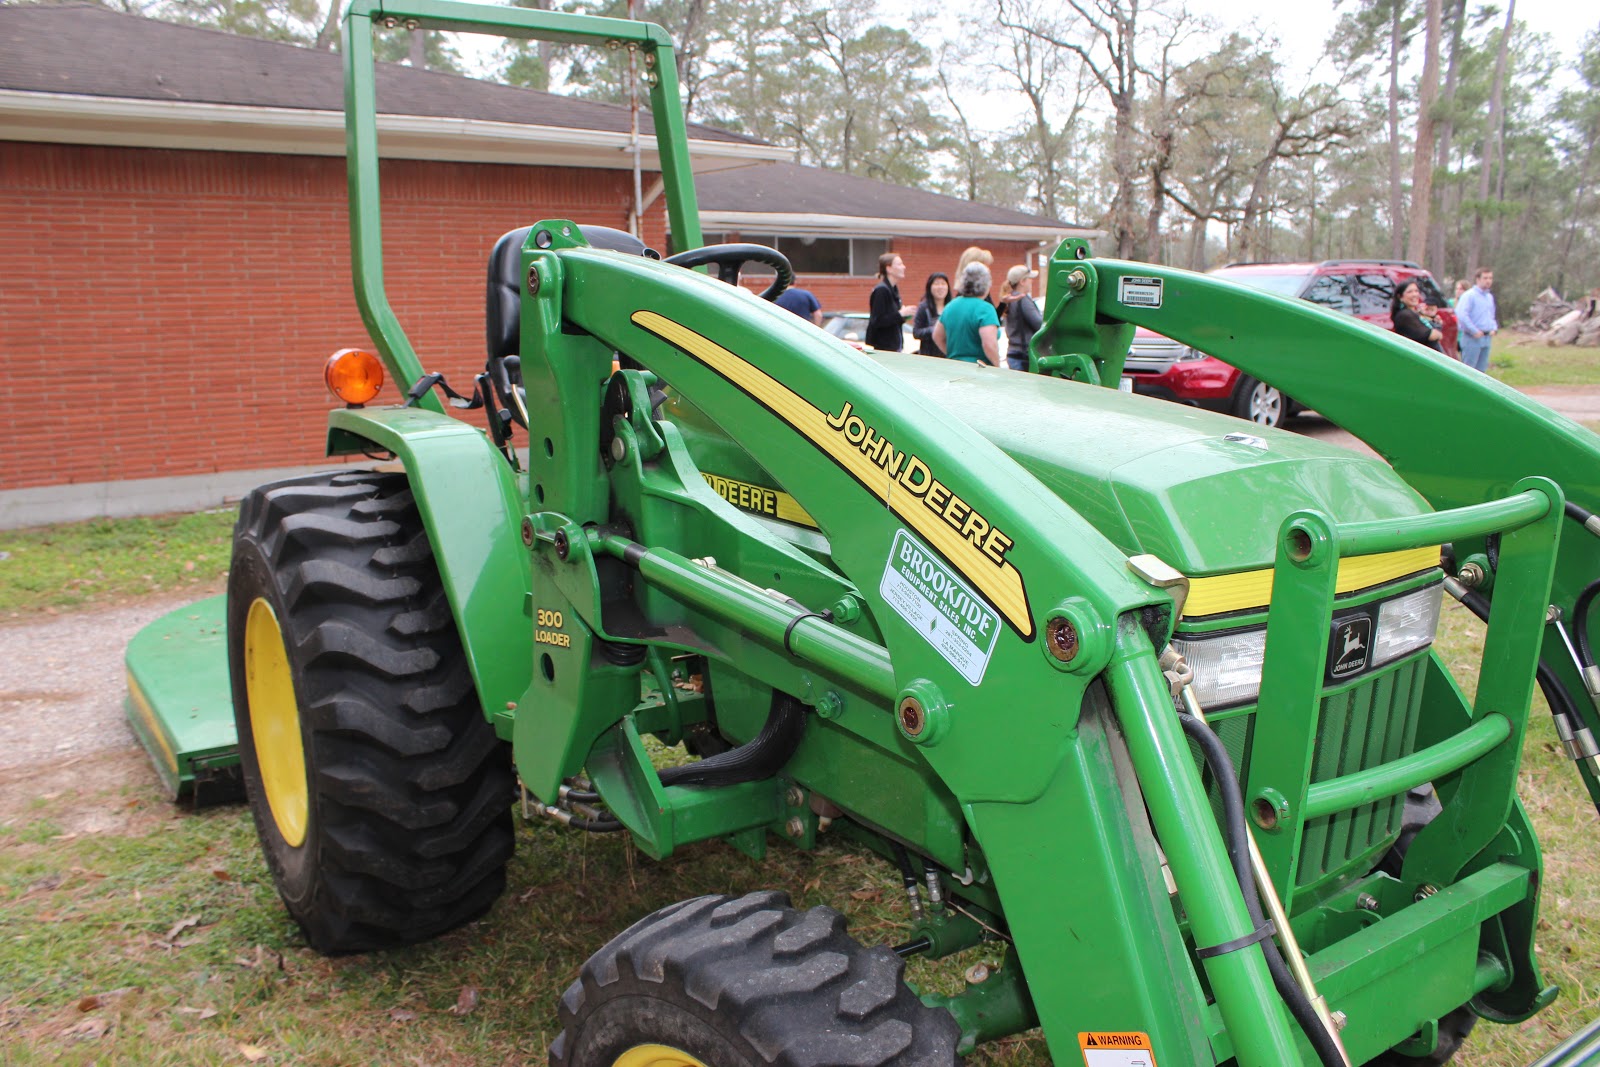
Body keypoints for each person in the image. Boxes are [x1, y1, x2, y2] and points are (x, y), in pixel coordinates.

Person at [933, 262, 1002, 367]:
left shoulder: (951, 306)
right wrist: (997, 366)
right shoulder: (985, 309)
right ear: (986, 284)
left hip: (954, 367)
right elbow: (989, 344)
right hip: (979, 370)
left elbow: (937, 336)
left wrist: (954, 355)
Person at [1455, 267, 1498, 373]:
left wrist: (1494, 328)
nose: (1488, 281)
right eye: (1485, 278)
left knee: (1481, 371)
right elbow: (1462, 315)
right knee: (1469, 371)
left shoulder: (1489, 297)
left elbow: (1491, 315)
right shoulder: (1469, 295)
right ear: (1478, 279)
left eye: (1490, 278)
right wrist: (1474, 330)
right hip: (1472, 338)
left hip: (1486, 338)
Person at [1000, 265, 1041, 371]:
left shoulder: (1009, 298)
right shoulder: (1022, 299)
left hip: (1013, 353)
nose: (1032, 281)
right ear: (1022, 281)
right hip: (1023, 356)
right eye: (1029, 279)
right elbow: (1039, 324)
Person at [866, 253, 911, 351]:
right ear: (889, 269)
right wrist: (900, 314)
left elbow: (892, 319)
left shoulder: (893, 289)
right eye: (899, 264)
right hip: (884, 348)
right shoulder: (882, 290)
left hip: (894, 346)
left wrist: (904, 315)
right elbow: (877, 320)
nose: (904, 267)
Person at [1390, 280, 1443, 352]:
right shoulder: (1405, 315)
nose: (1414, 294)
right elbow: (1431, 335)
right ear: (1400, 297)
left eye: (1416, 291)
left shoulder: (1415, 313)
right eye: (1410, 292)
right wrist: (1438, 328)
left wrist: (1433, 320)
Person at [911, 272, 951, 355]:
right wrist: (936, 329)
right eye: (936, 284)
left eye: (943, 284)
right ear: (929, 287)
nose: (940, 287)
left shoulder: (952, 307)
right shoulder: (924, 308)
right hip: (929, 356)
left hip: (949, 356)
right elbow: (916, 333)